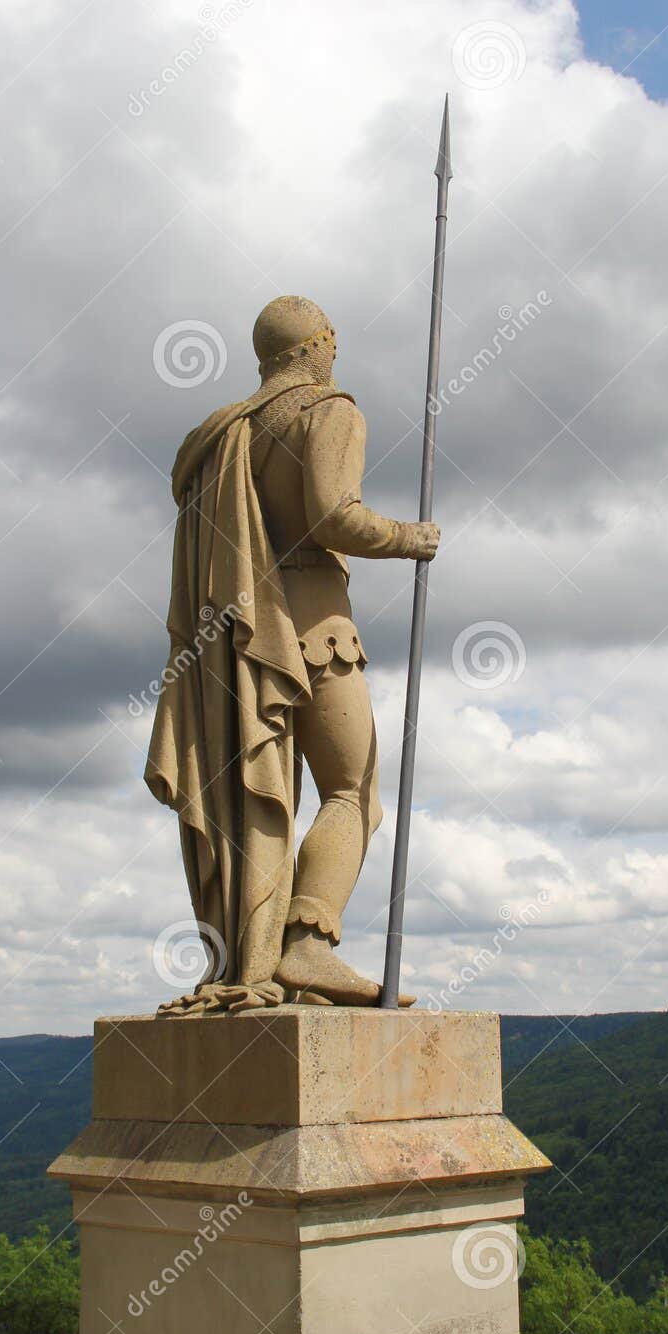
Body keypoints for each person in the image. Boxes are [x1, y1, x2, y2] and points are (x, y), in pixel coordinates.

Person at [146, 295, 438, 1012]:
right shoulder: (327, 410)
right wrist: (412, 537)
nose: (334, 353)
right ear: (317, 344)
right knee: (353, 790)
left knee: (263, 796)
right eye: (331, 341)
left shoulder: (220, 435)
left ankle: (257, 953)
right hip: (310, 621)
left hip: (234, 634)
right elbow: (334, 515)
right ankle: (308, 944)